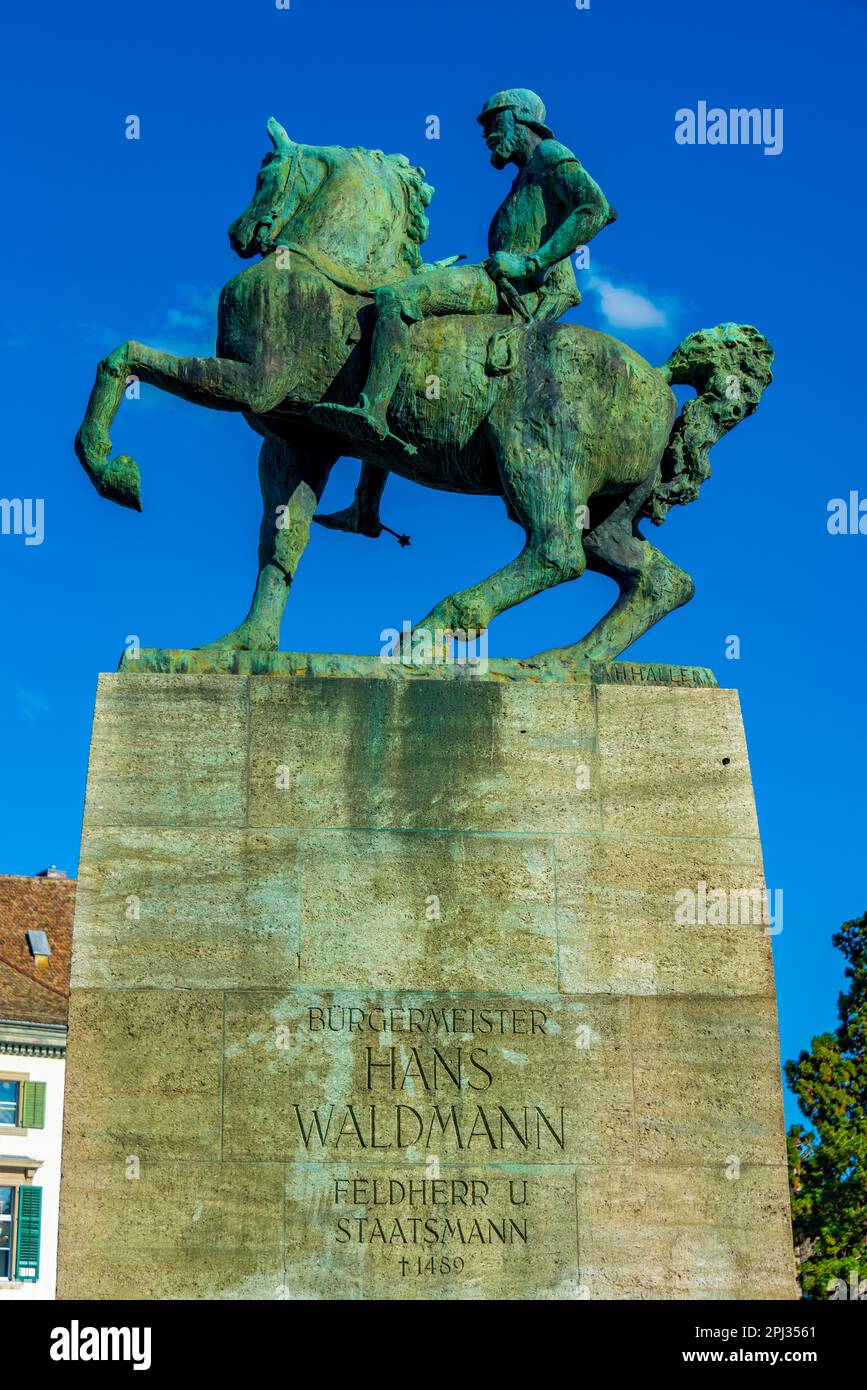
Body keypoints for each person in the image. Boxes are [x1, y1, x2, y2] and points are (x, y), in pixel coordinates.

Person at [312, 88, 616, 537]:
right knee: (402, 329)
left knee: (397, 300)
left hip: (507, 288)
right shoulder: (524, 178)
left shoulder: (550, 155)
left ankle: (371, 412)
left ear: (518, 119)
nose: (487, 135)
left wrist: (531, 261)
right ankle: (365, 506)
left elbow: (596, 207)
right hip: (500, 281)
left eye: (493, 123)